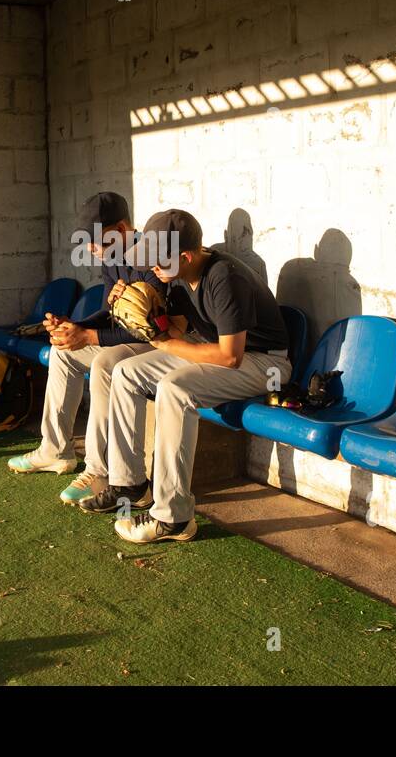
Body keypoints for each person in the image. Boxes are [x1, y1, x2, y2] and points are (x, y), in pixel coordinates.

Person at [78, 209, 290, 544]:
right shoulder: (176, 277)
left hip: (264, 363)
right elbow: (172, 329)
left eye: (159, 262)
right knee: (126, 371)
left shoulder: (225, 276)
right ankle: (129, 483)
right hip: (217, 349)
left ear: (186, 256)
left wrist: (164, 341)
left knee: (175, 389)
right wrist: (136, 311)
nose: (153, 269)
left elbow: (230, 356)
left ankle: (172, 517)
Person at [5, 192, 165, 507]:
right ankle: (55, 450)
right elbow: (113, 311)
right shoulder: (112, 256)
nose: (92, 249)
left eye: (97, 241)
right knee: (64, 351)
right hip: (128, 337)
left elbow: (149, 329)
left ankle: (99, 470)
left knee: (106, 362)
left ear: (120, 230)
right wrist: (74, 325)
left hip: (158, 344)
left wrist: (89, 336)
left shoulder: (154, 256)